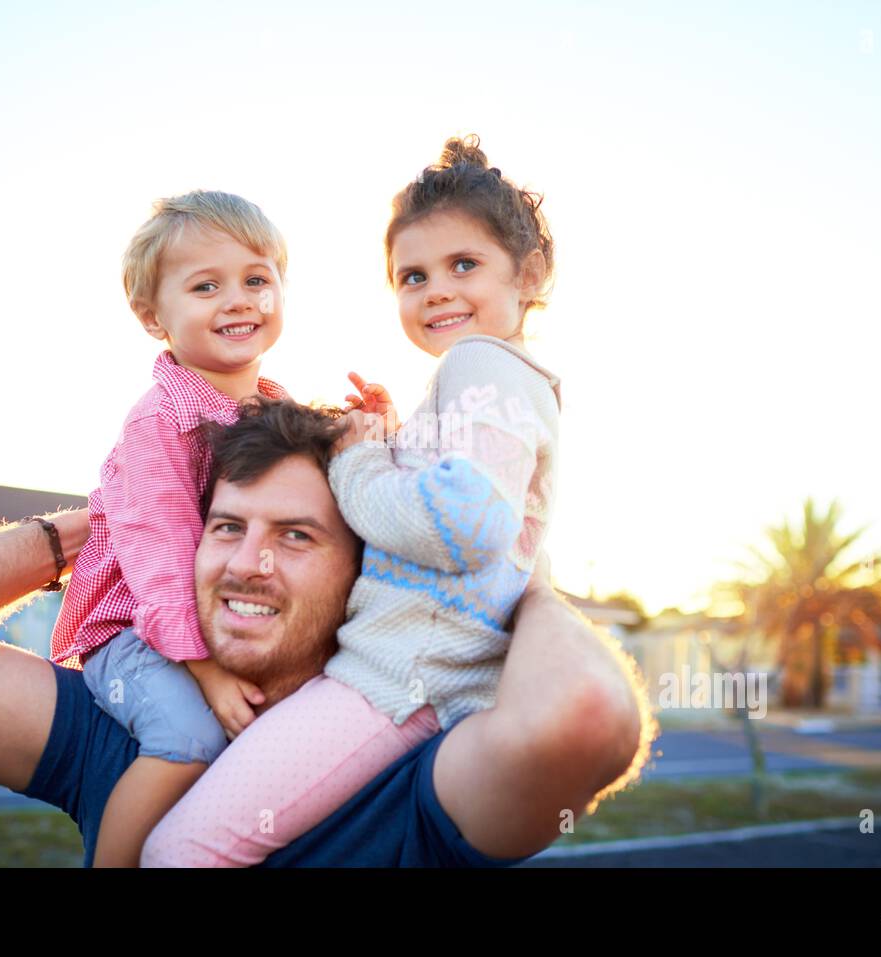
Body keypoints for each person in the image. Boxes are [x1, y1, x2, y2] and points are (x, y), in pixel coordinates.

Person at [0, 399, 653, 867]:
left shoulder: (414, 768)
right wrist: (124, 526)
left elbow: (584, 712)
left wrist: (509, 577)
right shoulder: (140, 738)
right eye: (225, 527)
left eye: (296, 535)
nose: (248, 561)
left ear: (366, 571)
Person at [142, 134, 567, 866]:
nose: (435, 289)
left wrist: (360, 460)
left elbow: (459, 523)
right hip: (423, 669)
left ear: (529, 272)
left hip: (397, 679)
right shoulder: (510, 382)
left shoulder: (476, 363)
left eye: (463, 264)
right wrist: (392, 438)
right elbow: (459, 500)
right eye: (412, 275)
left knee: (181, 848)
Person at [50, 190, 291, 865]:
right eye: (206, 285)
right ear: (154, 317)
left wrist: (367, 431)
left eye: (256, 279)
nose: (238, 299)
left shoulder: (277, 408)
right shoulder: (159, 421)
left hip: (220, 621)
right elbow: (161, 564)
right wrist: (209, 674)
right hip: (131, 632)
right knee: (191, 737)